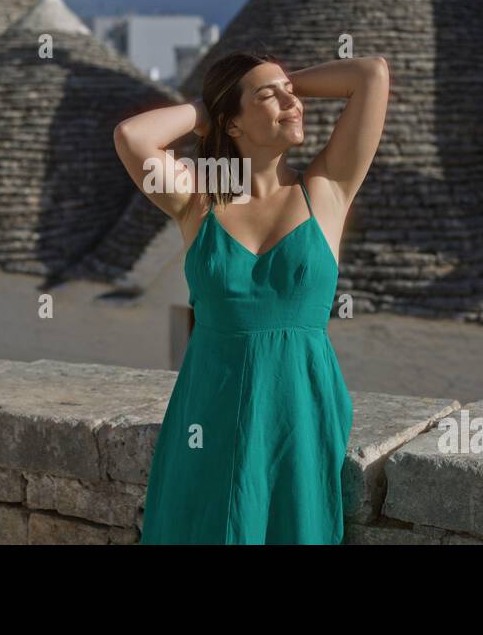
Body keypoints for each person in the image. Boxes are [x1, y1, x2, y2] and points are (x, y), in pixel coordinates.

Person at [113, 50, 389, 544]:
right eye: (269, 95)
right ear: (232, 124)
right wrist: (210, 108)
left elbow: (369, 74)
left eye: (291, 92)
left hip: (299, 409)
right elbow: (133, 137)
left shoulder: (326, 190)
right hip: (210, 407)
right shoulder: (196, 200)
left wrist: (281, 86)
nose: (292, 101)